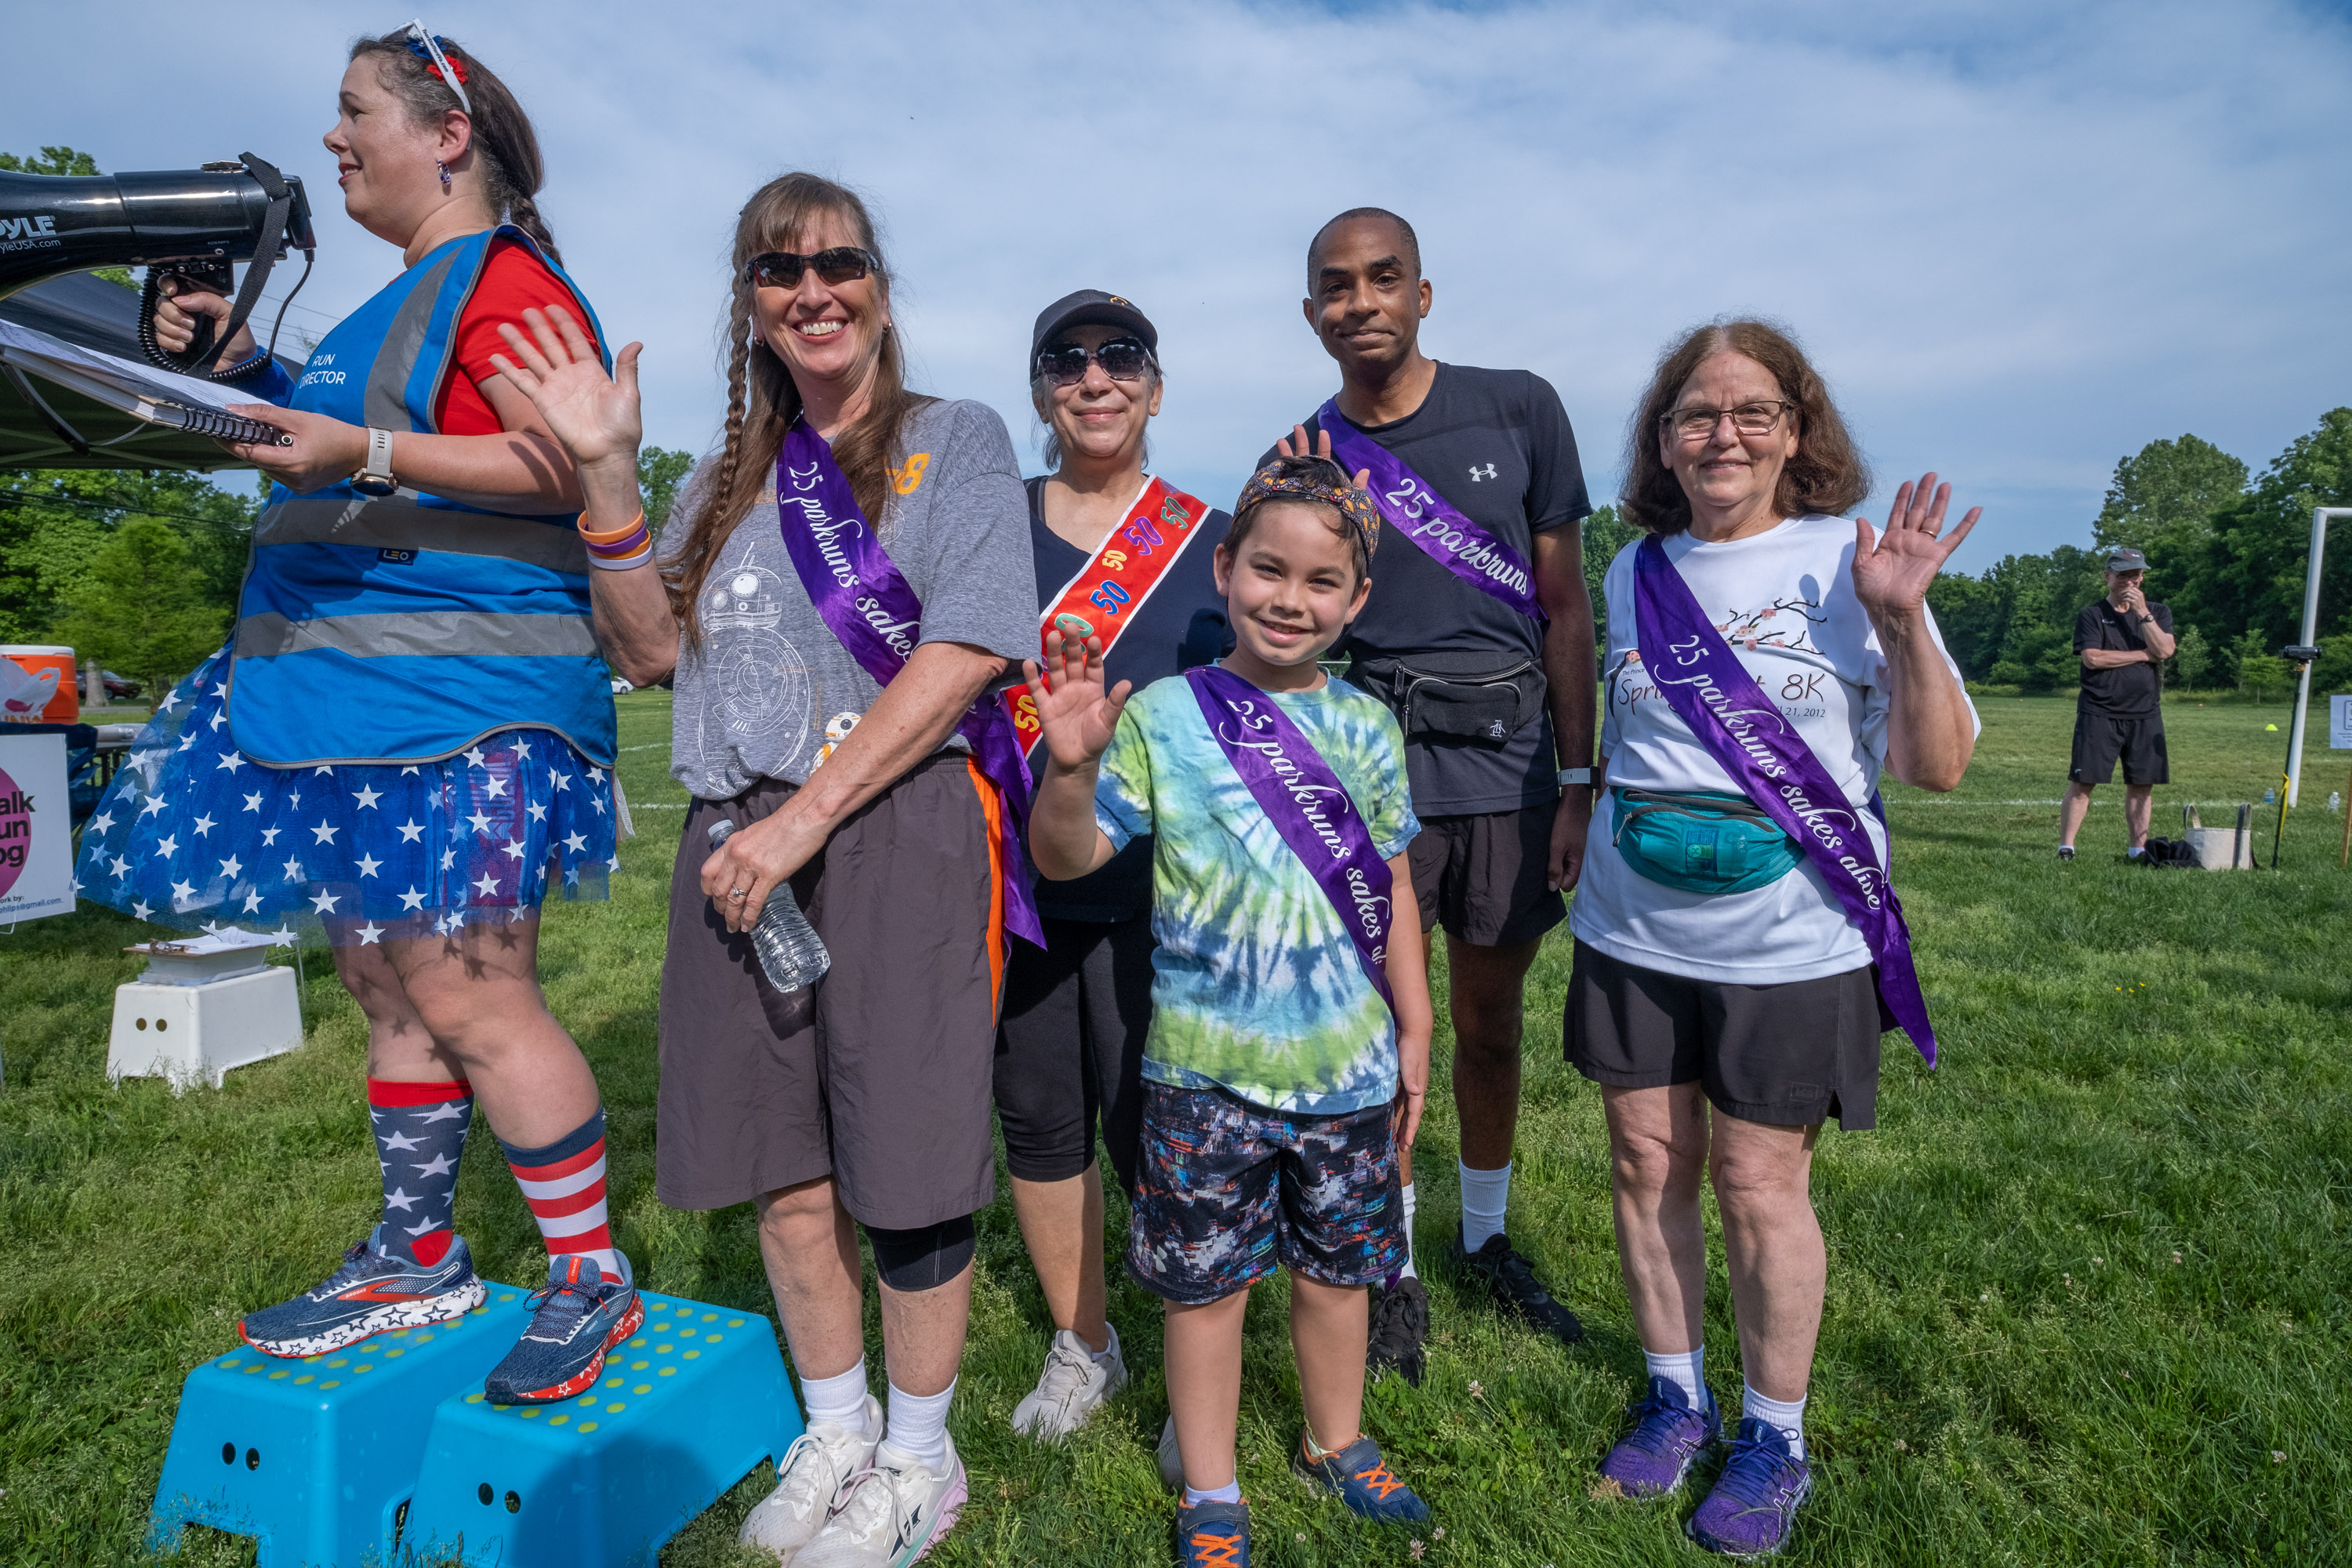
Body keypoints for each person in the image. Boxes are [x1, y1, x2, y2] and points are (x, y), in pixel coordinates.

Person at [77, 25, 640, 1406]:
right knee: (386, 982)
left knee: (469, 988)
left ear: (446, 134)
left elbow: (559, 458)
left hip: (454, 707)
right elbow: (323, 438)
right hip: (344, 703)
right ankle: (419, 1252)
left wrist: (364, 448)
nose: (332, 141)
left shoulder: (506, 280)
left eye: (352, 115)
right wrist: (246, 365)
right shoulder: (400, 301)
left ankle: (590, 1276)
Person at [489, 172, 1036, 1566]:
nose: (814, 291)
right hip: (733, 838)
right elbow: (646, 650)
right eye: (778, 271)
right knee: (787, 1165)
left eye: (839, 262)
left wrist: (803, 825)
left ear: (879, 283)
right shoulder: (722, 476)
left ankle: (924, 1459)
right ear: (750, 304)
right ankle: (838, 1427)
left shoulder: (953, 440)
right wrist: (610, 484)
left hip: (894, 828)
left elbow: (966, 648)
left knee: (906, 1161)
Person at [1569, 320, 1978, 1555]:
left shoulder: (1845, 560)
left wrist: (1901, 622)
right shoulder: (1632, 568)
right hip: (1633, 929)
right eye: (1697, 413)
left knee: (1758, 1182)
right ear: (1663, 437)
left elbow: (1938, 767)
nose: (1724, 434)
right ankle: (1673, 1397)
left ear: (1797, 432)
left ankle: (1773, 1436)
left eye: (1753, 412)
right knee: (1647, 1168)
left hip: (1790, 945)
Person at [1026, 456, 1436, 1568]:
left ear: (1354, 602)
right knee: (1202, 1292)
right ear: (1226, 569)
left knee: (1337, 1274)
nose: (1289, 599)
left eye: (1320, 582)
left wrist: (1416, 1025)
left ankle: (1336, 1439)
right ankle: (1210, 1487)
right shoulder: (1163, 714)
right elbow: (1070, 860)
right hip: (1202, 1076)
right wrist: (1067, 770)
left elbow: (1391, 883)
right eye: (1267, 570)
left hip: (1346, 1072)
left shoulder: (1366, 730)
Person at [1269, 207, 1596, 1381]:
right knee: (1378, 1035)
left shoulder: (1519, 407)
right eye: (1336, 287)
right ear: (1312, 312)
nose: (1360, 302)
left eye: (1382, 279)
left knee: (1487, 1021)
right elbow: (1269, 605)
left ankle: (1490, 1235)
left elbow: (1567, 606)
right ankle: (1392, 1265)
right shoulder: (1302, 450)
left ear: (1421, 293)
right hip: (1375, 775)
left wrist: (1576, 778)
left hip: (1510, 769)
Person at [994, 289, 1231, 1442]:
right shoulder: (992, 522)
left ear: (1154, 382)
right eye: (1068, 361)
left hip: (1169, 888)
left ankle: (1197, 1340)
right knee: (1040, 1115)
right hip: (1018, 881)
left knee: (1162, 1117)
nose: (1096, 378)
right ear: (1042, 389)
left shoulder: (1209, 536)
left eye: (1120, 357)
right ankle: (1085, 1344)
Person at [2058, 547, 2175, 860]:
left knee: (2142, 783)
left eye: (2135, 575)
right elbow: (2093, 658)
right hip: (2099, 709)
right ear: (2108, 577)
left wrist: (2143, 615)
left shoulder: (2158, 612)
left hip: (2145, 711)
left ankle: (2137, 850)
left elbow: (2164, 650)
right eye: (2122, 574)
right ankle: (2066, 847)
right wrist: (2140, 655)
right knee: (2084, 781)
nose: (2129, 581)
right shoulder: (2092, 615)